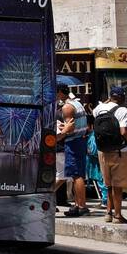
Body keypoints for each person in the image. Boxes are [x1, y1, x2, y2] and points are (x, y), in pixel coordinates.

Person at [91, 85, 127, 223]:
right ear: (122, 97)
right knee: (118, 185)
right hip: (119, 152)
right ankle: (118, 215)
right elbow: (123, 132)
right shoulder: (123, 110)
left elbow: (94, 113)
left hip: (102, 151)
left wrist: (106, 101)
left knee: (108, 184)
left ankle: (108, 213)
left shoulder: (98, 109)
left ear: (110, 96)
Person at [55, 85, 90, 217]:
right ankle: (77, 205)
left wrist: (62, 131)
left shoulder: (67, 107)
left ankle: (81, 206)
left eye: (56, 92)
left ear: (60, 92)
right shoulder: (77, 104)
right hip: (80, 140)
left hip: (73, 142)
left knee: (76, 175)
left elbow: (70, 127)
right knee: (78, 173)